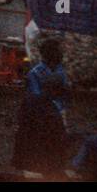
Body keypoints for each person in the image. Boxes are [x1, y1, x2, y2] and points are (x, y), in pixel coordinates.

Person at [11, 39, 71, 177]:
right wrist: (53, 92)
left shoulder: (60, 71)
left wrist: (59, 97)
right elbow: (35, 96)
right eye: (58, 51)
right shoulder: (36, 72)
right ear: (50, 54)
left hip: (54, 112)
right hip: (36, 114)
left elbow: (64, 95)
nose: (61, 54)